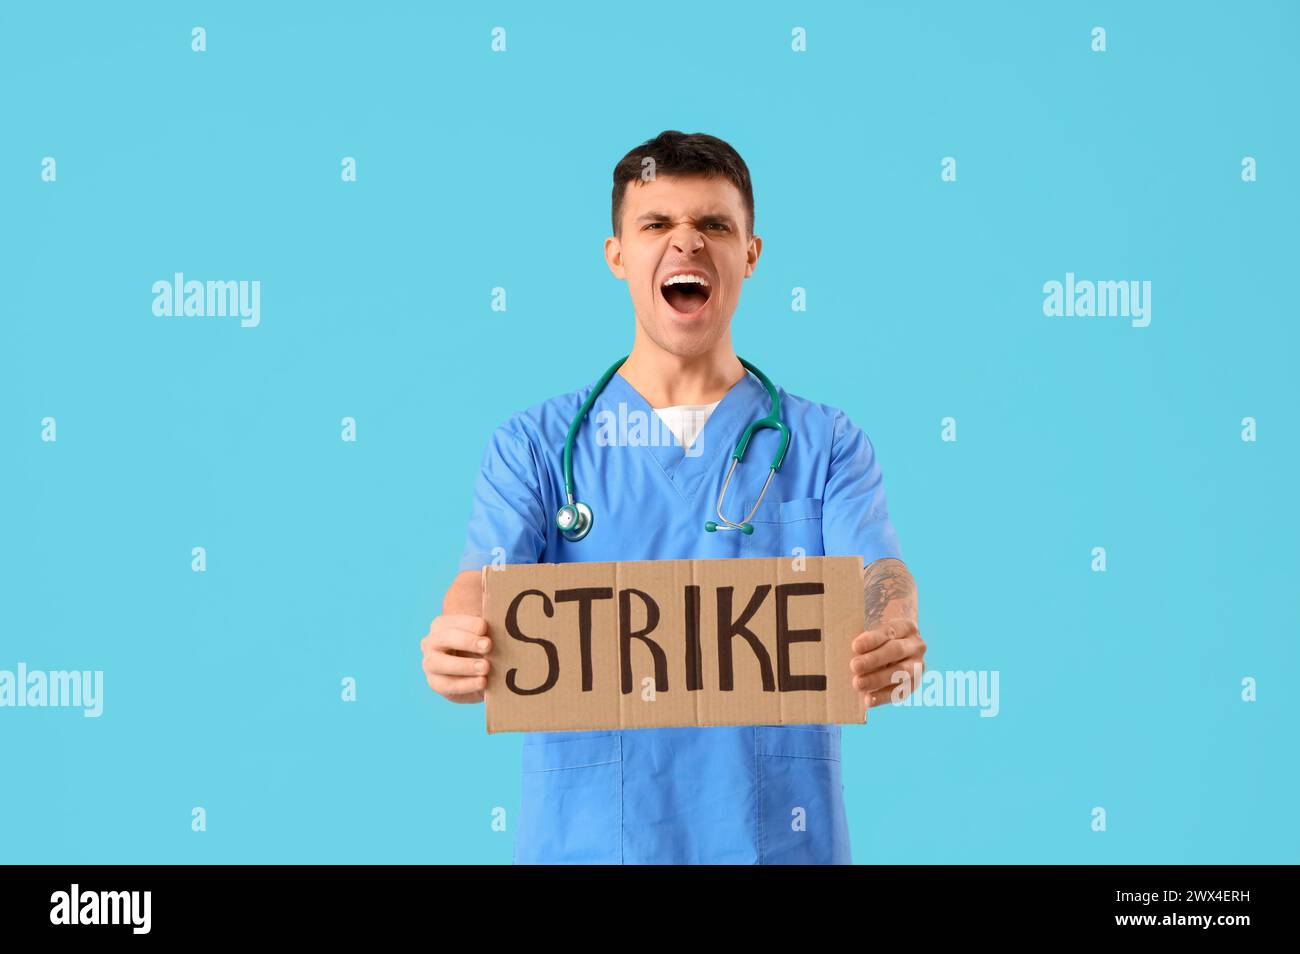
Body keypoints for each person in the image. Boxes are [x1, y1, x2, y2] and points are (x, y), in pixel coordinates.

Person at [421, 131, 926, 864]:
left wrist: (895, 627)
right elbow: (482, 583)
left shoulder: (825, 445)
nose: (685, 242)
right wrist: (457, 638)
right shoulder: (535, 446)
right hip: (589, 842)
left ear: (750, 254)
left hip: (779, 842)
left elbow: (877, 571)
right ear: (617, 254)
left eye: (714, 225)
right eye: (656, 224)